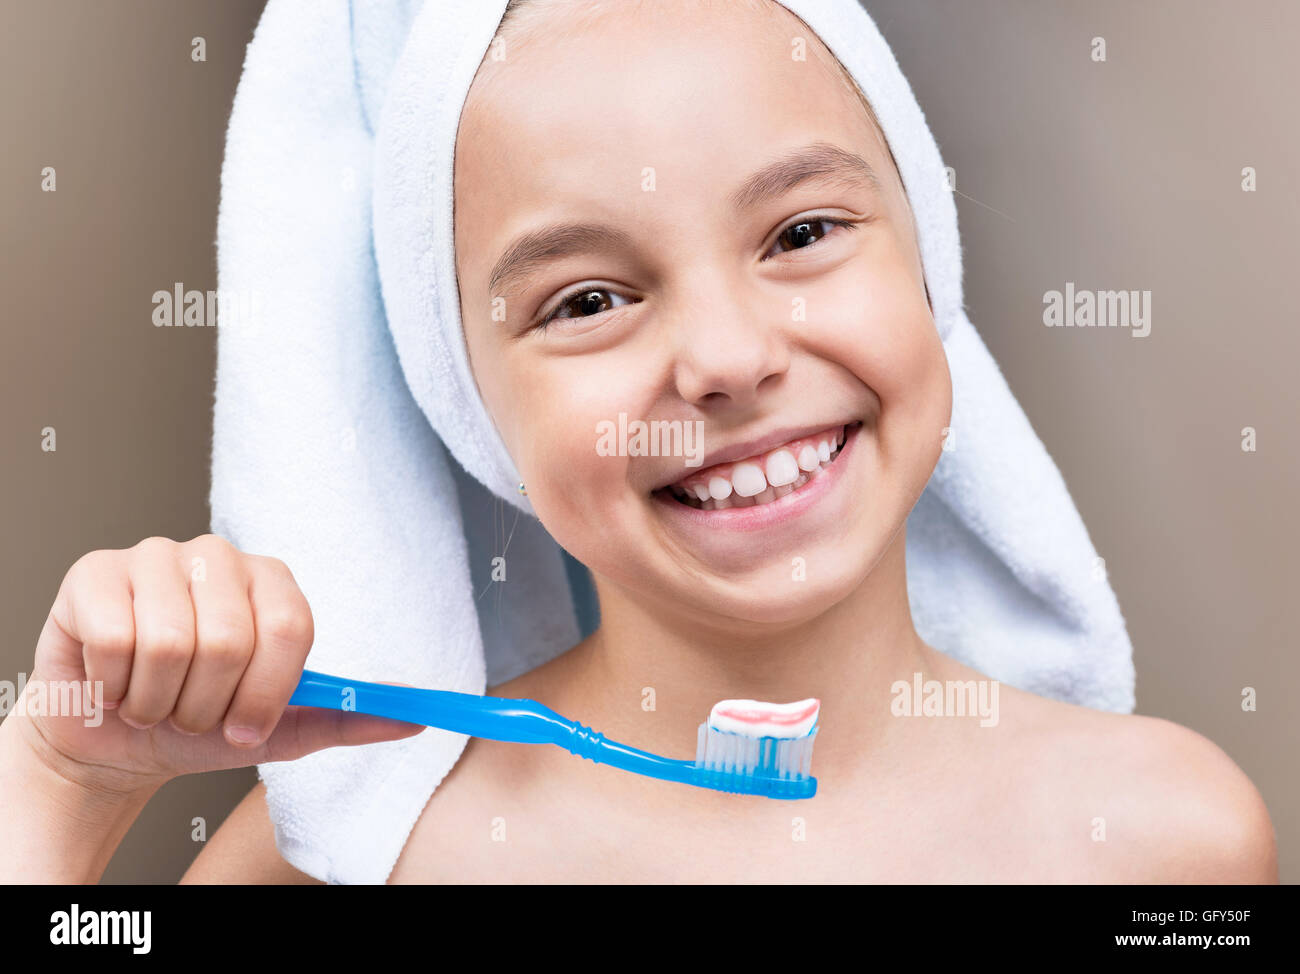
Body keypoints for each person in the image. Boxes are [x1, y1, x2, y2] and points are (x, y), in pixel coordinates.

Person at [0, 0, 1277, 884]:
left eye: (799, 232)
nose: (724, 358)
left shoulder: (1169, 838)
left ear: (928, 261)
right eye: (588, 302)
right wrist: (63, 779)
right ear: (466, 404)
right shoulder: (373, 856)